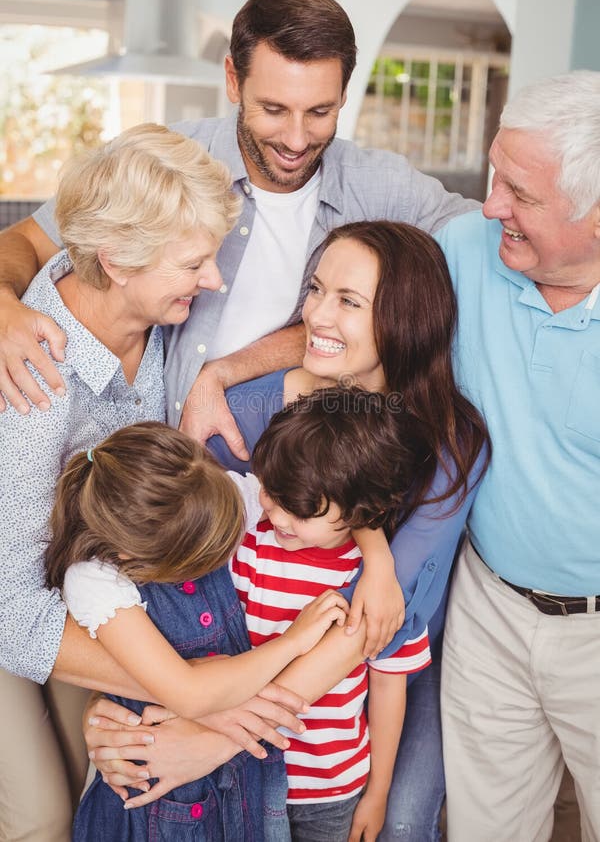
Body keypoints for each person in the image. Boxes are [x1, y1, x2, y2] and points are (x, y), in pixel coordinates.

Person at [85, 221, 491, 841]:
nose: (318, 317)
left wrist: (213, 737)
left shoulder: (451, 443)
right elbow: (178, 580)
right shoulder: (254, 410)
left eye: (349, 302)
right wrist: (121, 710)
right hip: (244, 660)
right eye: (317, 290)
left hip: (386, 672)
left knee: (402, 823)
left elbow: (372, 623)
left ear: (405, 320)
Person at [0, 0, 477, 458]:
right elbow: (25, 241)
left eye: (319, 112)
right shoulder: (168, 161)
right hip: (164, 469)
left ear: (343, 94)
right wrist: (2, 303)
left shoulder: (383, 187)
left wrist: (226, 370)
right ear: (233, 79)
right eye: (273, 109)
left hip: (286, 469)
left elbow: (491, 236)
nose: (295, 139)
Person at [0, 123, 313, 842]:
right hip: (11, 603)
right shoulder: (36, 381)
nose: (213, 281)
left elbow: (325, 330)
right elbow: (14, 616)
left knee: (120, 774)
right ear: (117, 261)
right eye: (194, 264)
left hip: (85, 596)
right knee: (44, 816)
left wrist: (223, 372)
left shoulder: (161, 319)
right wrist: (193, 698)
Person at [432, 70, 600, 841]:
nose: (491, 202)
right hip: (490, 606)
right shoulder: (465, 249)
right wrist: (227, 374)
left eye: (521, 194)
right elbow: (354, 320)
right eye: (497, 174)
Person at [46, 421, 350, 841]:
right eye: (211, 552)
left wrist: (376, 549)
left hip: (240, 791)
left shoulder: (205, 494)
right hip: (152, 812)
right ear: (137, 554)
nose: (236, 545)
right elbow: (188, 692)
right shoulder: (96, 581)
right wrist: (292, 642)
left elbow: (328, 484)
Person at [231, 387, 433, 842]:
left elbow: (387, 689)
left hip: (332, 785)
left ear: (364, 511)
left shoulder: (377, 588)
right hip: (244, 773)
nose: (277, 517)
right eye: (270, 492)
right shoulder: (249, 543)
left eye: (299, 510)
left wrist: (378, 793)